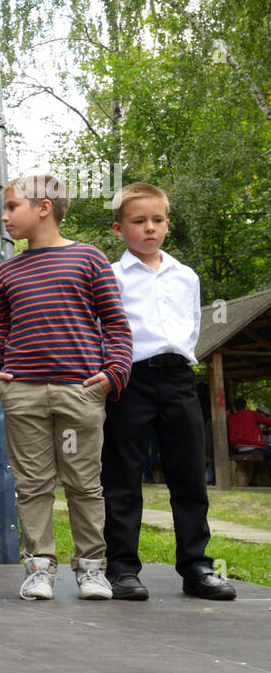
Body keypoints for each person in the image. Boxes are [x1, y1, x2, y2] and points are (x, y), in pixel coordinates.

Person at [0, 174, 132, 601]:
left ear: (43, 208)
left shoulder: (90, 260)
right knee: (32, 485)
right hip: (23, 392)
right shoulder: (6, 270)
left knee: (84, 483)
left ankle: (91, 569)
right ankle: (39, 568)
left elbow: (116, 325)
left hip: (80, 391)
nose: (5, 215)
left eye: (12, 207)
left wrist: (112, 374)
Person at [100, 182, 235, 601]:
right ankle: (122, 567)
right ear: (120, 229)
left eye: (157, 220)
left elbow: (190, 328)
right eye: (139, 221)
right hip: (130, 379)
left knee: (189, 473)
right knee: (122, 475)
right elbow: (104, 329)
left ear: (168, 225)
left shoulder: (185, 276)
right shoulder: (110, 275)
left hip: (178, 378)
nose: (150, 228)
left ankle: (196, 566)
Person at [227, 398, 271, 472]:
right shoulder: (252, 414)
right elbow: (269, 422)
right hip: (254, 447)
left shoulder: (231, 418)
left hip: (238, 449)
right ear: (246, 405)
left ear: (234, 407)